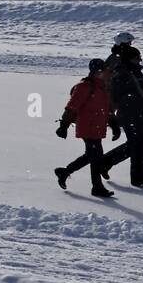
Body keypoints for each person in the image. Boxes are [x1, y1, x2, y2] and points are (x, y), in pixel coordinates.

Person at [54, 59, 115, 198]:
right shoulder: (84, 87)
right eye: (105, 71)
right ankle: (97, 187)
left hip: (97, 127)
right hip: (88, 127)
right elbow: (72, 107)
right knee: (96, 156)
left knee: (91, 155)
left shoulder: (102, 87)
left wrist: (114, 124)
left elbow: (106, 109)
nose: (108, 74)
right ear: (98, 72)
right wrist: (63, 126)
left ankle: (64, 172)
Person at [101, 45, 143, 188]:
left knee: (137, 147)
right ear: (129, 59)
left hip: (139, 114)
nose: (139, 60)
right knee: (138, 147)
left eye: (139, 57)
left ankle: (106, 162)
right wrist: (136, 98)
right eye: (137, 58)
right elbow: (117, 96)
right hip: (131, 115)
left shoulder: (134, 71)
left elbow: (138, 89)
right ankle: (138, 178)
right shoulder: (121, 73)